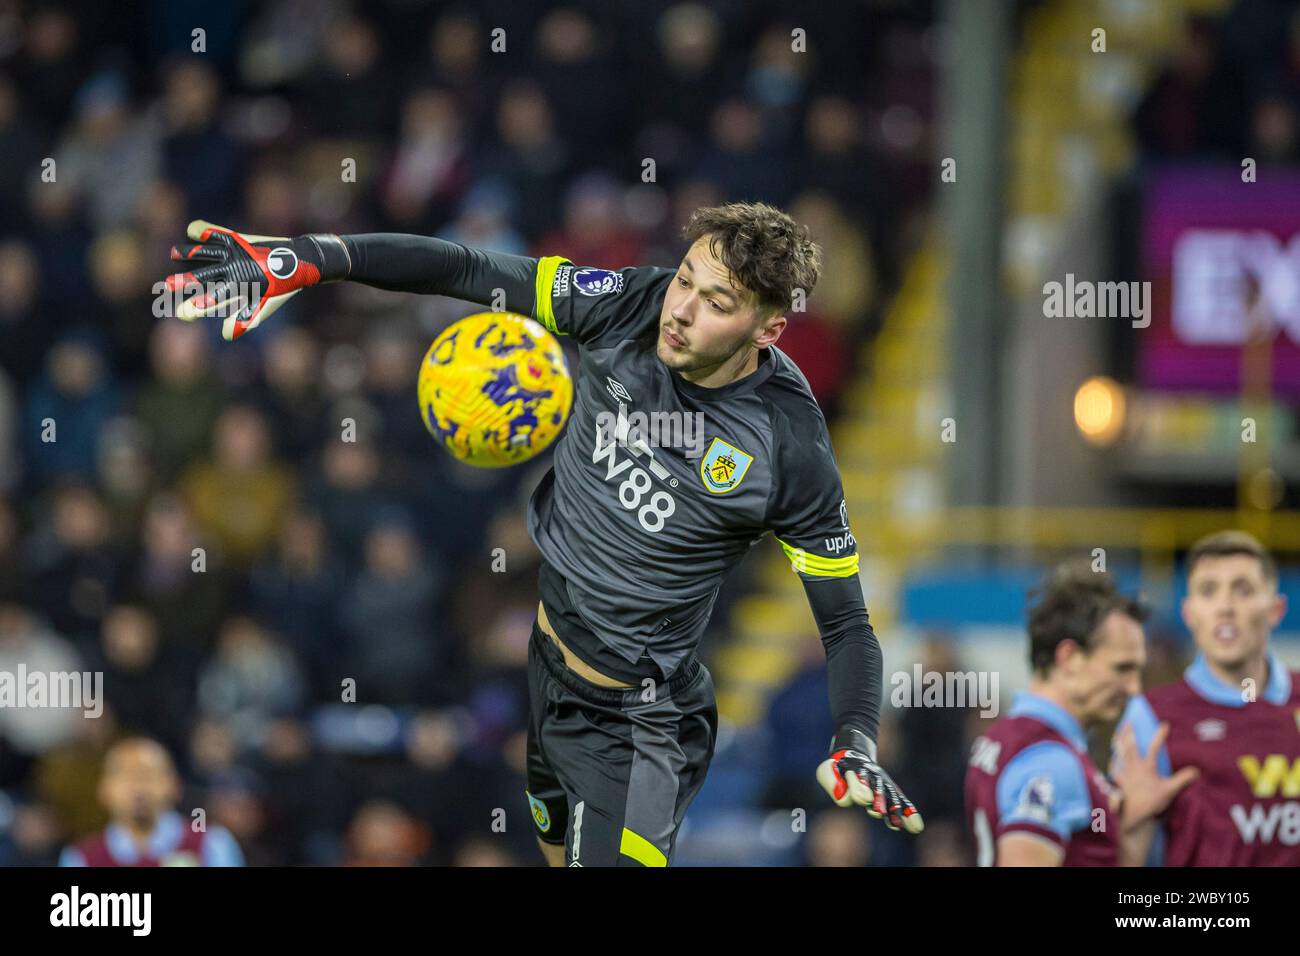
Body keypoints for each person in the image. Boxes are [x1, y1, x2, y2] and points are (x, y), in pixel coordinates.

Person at [161, 201, 921, 867]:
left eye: (715, 301)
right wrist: (315, 259)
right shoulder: (629, 302)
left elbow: (847, 621)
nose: (681, 309)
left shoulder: (788, 447)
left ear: (768, 327)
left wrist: (855, 739)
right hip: (548, 673)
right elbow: (466, 268)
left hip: (644, 720)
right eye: (686, 278)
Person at [964, 562, 1189, 865]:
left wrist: (1131, 829)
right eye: (1122, 668)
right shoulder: (1052, 762)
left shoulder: (1002, 738)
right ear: (1069, 658)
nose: (1134, 688)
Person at [1114, 530, 1300, 866]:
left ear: (1275, 609)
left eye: (1243, 590)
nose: (1225, 607)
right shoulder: (1151, 717)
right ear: (1189, 612)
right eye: (1209, 591)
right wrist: (1129, 828)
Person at [60, 736, 243, 866]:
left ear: (174, 786)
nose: (138, 788)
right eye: (126, 777)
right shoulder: (81, 859)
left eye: (148, 776)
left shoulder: (212, 843)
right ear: (104, 790)